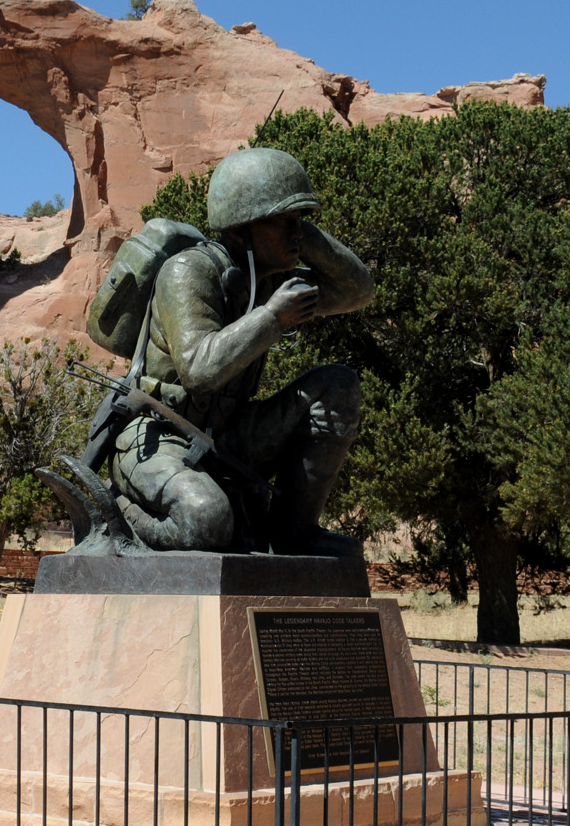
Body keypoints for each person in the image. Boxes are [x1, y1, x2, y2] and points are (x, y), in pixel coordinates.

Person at [110, 147, 375, 556]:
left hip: (227, 436)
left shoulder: (269, 279)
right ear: (239, 229)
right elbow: (199, 370)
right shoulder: (188, 272)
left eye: (300, 222)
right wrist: (272, 317)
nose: (295, 234)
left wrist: (302, 229)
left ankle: (295, 531)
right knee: (205, 521)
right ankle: (121, 515)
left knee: (337, 384)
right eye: (281, 223)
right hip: (160, 437)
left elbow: (356, 291)